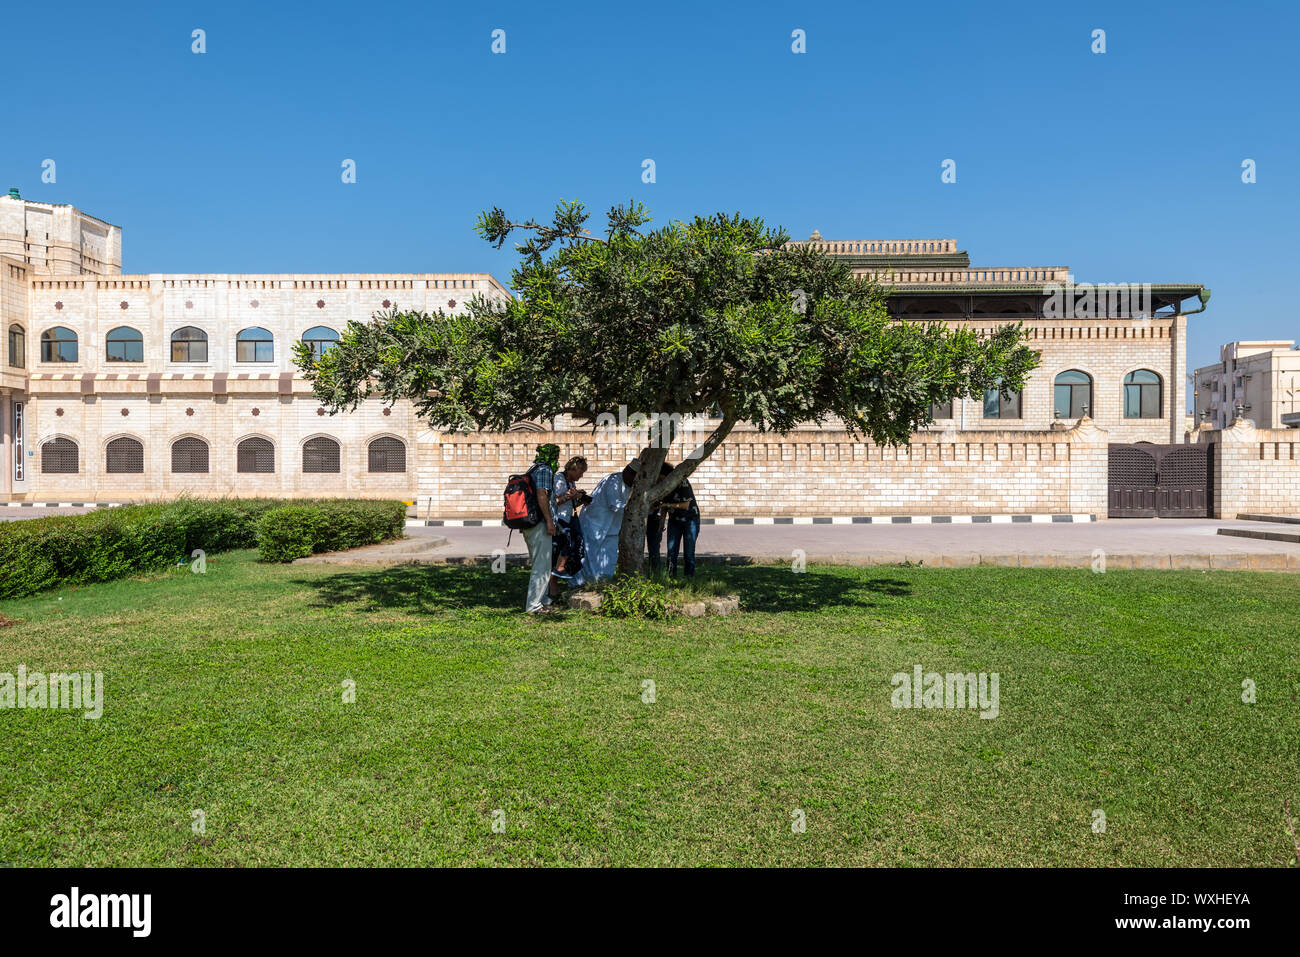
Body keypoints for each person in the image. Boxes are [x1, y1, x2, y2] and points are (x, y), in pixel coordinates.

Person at [573, 462, 638, 587]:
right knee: (590, 555)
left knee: (610, 556)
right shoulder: (612, 481)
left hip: (612, 528)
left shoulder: (632, 485)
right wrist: (637, 509)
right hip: (594, 524)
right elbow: (615, 505)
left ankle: (605, 582)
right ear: (627, 473)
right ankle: (587, 584)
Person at [522, 444, 559, 614]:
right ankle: (534, 606)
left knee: (541, 564)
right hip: (539, 524)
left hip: (530, 523)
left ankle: (541, 600)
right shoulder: (544, 470)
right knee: (541, 566)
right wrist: (549, 521)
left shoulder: (533, 469)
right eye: (556, 456)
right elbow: (541, 494)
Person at [549, 455, 589, 600]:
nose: (581, 475)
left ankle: (554, 591)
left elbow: (568, 504)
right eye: (581, 472)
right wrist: (569, 497)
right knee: (566, 545)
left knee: (577, 543)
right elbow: (553, 502)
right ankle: (557, 576)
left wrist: (580, 499)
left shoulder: (571, 483)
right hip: (558, 521)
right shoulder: (559, 479)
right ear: (574, 469)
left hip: (567, 519)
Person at [663, 466, 700, 578]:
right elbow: (663, 506)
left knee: (688, 552)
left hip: (690, 520)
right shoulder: (662, 486)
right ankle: (670, 577)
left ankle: (689, 578)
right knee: (671, 550)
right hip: (674, 520)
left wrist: (667, 505)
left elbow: (685, 505)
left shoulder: (682, 482)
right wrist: (661, 524)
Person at [645, 462, 673, 573]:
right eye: (661, 478)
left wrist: (662, 522)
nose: (661, 481)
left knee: (654, 548)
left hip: (654, 519)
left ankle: (655, 572)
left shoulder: (665, 487)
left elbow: (664, 506)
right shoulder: (648, 484)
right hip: (643, 518)